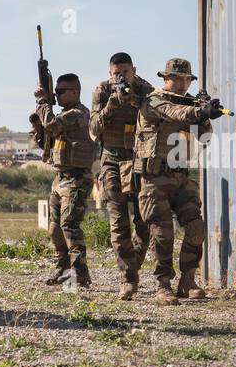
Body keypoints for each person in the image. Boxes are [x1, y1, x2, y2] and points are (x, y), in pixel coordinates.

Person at [134, 58, 225, 305]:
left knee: (196, 226)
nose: (184, 83)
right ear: (166, 79)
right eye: (178, 78)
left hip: (181, 176)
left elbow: (205, 137)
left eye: (187, 79)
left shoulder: (190, 104)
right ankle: (162, 285)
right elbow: (173, 112)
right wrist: (199, 111)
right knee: (162, 234)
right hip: (155, 177)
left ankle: (188, 280)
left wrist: (204, 115)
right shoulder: (155, 100)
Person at [89, 52, 152, 299]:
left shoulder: (146, 89)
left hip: (139, 160)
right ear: (110, 73)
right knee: (118, 222)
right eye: (116, 73)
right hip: (112, 159)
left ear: (133, 71)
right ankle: (128, 278)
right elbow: (93, 130)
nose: (121, 77)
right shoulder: (102, 91)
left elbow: (156, 118)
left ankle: (132, 266)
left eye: (125, 72)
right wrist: (110, 107)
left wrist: (135, 101)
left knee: (144, 220)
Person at [30, 73, 95, 287]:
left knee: (70, 226)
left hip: (77, 179)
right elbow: (47, 141)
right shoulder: (64, 115)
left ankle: (79, 273)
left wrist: (42, 102)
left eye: (60, 92)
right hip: (60, 178)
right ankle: (63, 268)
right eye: (55, 91)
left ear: (74, 92)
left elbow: (53, 125)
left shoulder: (78, 114)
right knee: (54, 228)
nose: (56, 95)